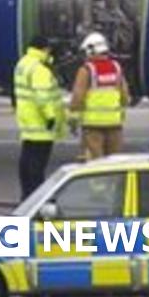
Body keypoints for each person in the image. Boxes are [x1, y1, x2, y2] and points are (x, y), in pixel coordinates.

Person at [13, 35, 65, 199]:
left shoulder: (22, 64)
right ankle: (37, 200)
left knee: (27, 162)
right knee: (37, 166)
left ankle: (26, 196)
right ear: (45, 49)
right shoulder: (39, 70)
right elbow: (43, 97)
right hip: (41, 125)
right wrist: (51, 117)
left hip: (27, 122)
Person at [69, 32, 130, 161]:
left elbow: (78, 97)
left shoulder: (86, 70)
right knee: (114, 162)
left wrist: (73, 119)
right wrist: (120, 112)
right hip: (114, 124)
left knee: (95, 163)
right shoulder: (116, 68)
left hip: (92, 125)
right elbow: (125, 95)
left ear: (91, 50)